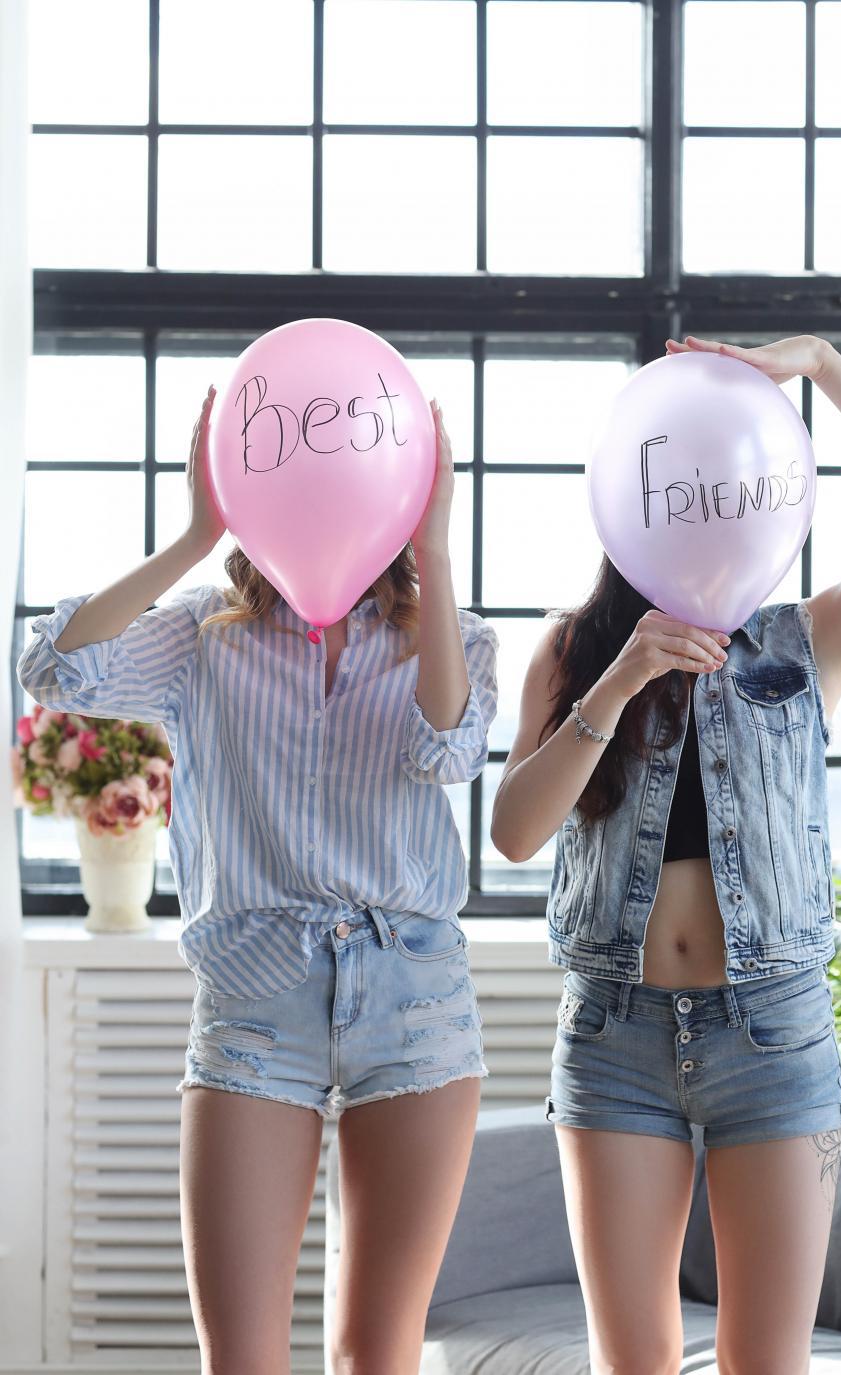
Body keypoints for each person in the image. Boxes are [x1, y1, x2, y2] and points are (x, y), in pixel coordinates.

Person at [490, 333, 841, 1375]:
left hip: (774, 1035)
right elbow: (515, 831)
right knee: (634, 1364)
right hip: (615, 1037)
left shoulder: (807, 642)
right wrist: (614, 686)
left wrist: (827, 368)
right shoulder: (573, 649)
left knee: (767, 1365)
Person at [17, 387, 498, 1375]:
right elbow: (51, 669)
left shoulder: (455, 635)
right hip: (254, 996)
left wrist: (437, 550)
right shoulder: (203, 634)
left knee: (379, 1352)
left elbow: (449, 750)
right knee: (240, 1358)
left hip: (412, 993)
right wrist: (197, 533)